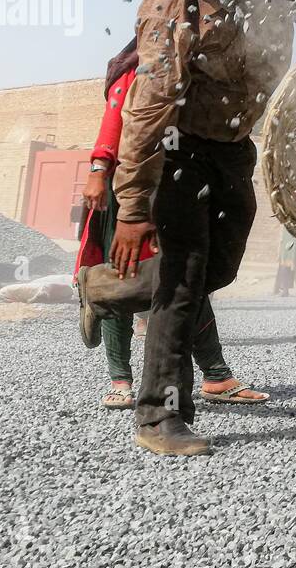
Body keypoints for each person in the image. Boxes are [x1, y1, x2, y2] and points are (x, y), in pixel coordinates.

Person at [99, 0, 293, 456]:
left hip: (233, 149)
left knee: (219, 268)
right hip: (181, 150)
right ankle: (160, 417)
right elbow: (148, 108)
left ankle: (109, 290)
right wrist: (132, 210)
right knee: (184, 279)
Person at [80, 42, 270, 411]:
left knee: (189, 274)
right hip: (129, 190)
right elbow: (118, 119)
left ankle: (215, 375)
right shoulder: (141, 66)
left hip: (173, 186)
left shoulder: (191, 71)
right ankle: (120, 379)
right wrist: (100, 170)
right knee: (131, 267)